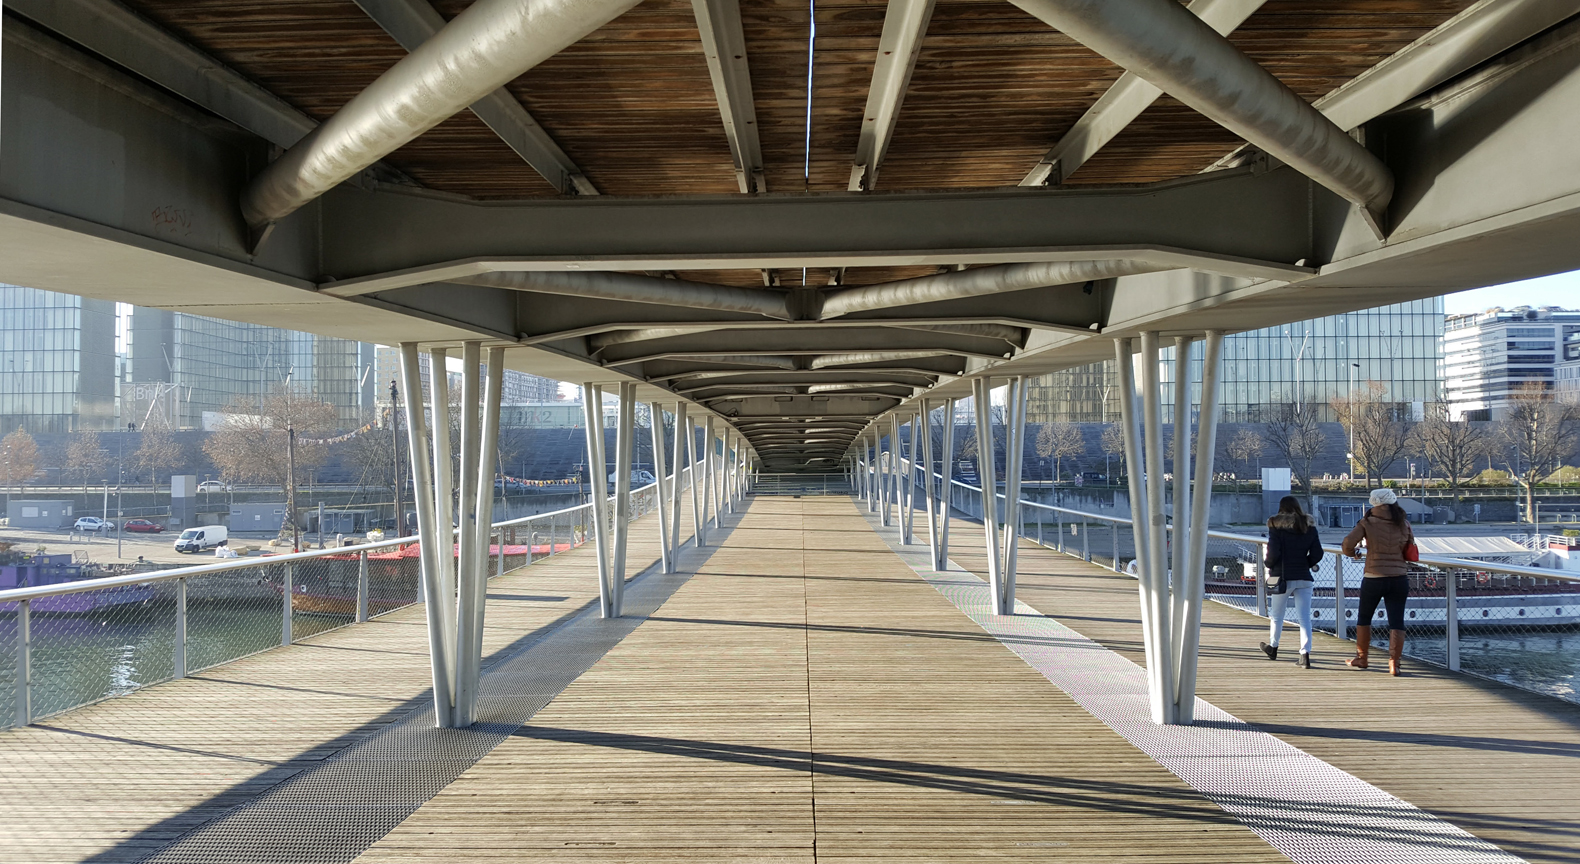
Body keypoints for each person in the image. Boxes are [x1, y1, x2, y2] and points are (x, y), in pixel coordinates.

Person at [1341, 487, 1415, 676]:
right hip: (1399, 578)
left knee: (1364, 617)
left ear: (1374, 502)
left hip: (1374, 576)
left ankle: (1362, 658)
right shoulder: (1403, 523)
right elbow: (1410, 547)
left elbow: (1348, 543)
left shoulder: (1367, 522)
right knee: (1397, 620)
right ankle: (1394, 664)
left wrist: (1354, 553)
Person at [1260, 496, 1323, 668]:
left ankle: (1273, 647)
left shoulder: (1275, 525)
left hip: (1280, 577)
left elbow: (1273, 552)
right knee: (1304, 618)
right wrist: (1305, 564)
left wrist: (1268, 564)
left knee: (1277, 616)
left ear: (1281, 508)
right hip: (1304, 577)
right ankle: (1304, 654)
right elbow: (1317, 553)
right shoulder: (1308, 526)